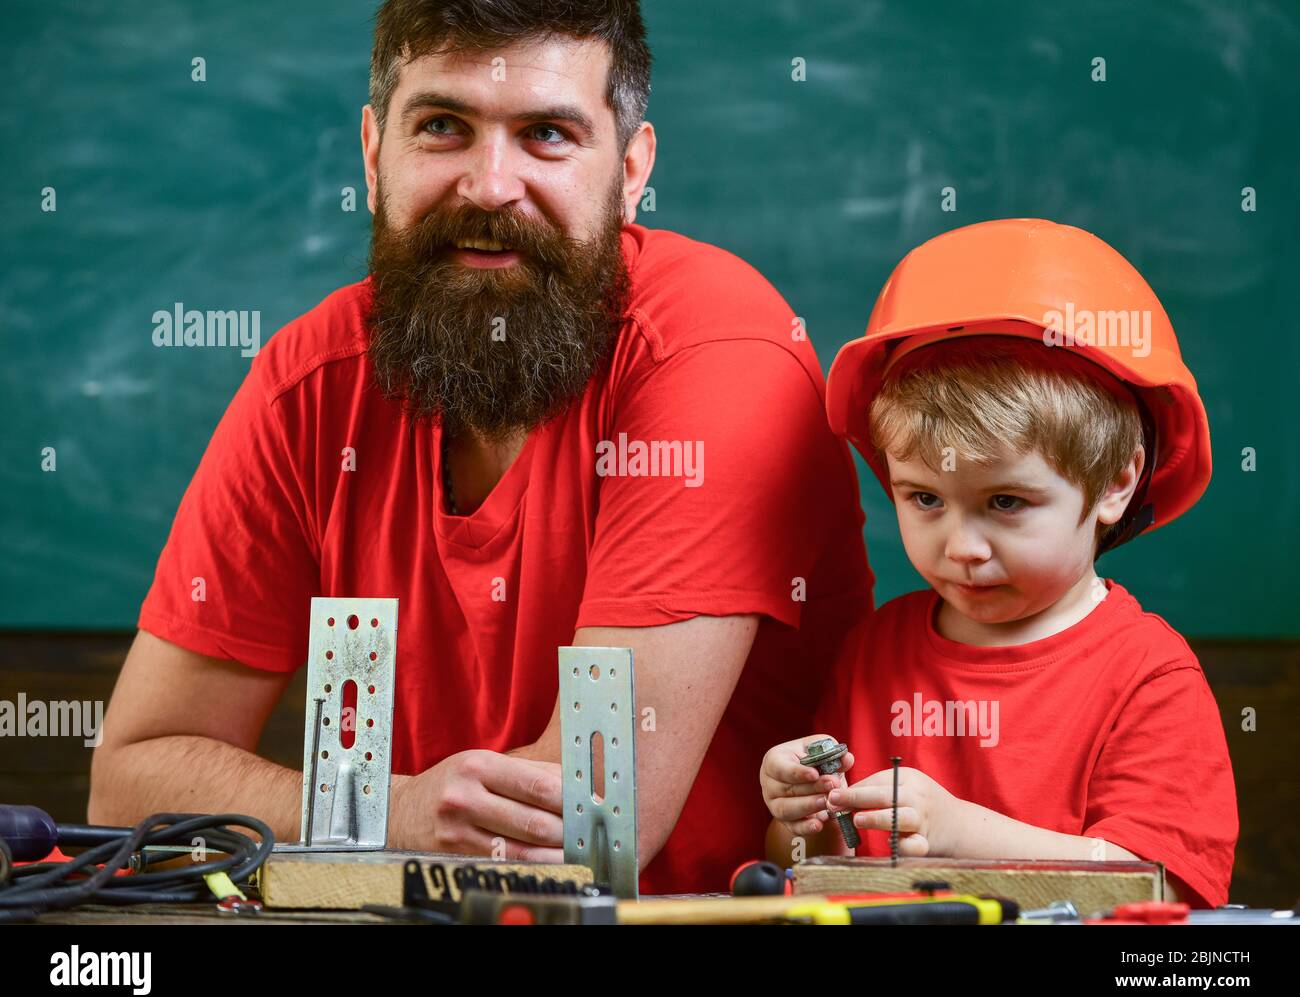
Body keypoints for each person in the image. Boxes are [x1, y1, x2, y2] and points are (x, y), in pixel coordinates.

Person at [89, 0, 873, 894]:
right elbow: (125, 781)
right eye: (443, 127)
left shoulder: (718, 350)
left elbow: (588, 819)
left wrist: (360, 811)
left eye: (546, 134)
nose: (489, 185)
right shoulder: (308, 381)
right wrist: (389, 807)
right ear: (374, 153)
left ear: (632, 168)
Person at [760, 218, 1237, 907]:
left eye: (1006, 501)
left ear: (1115, 483)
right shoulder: (874, 653)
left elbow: (1162, 886)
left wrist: (962, 830)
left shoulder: (1149, 677)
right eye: (925, 497)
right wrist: (800, 818)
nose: (962, 546)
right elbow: (811, 871)